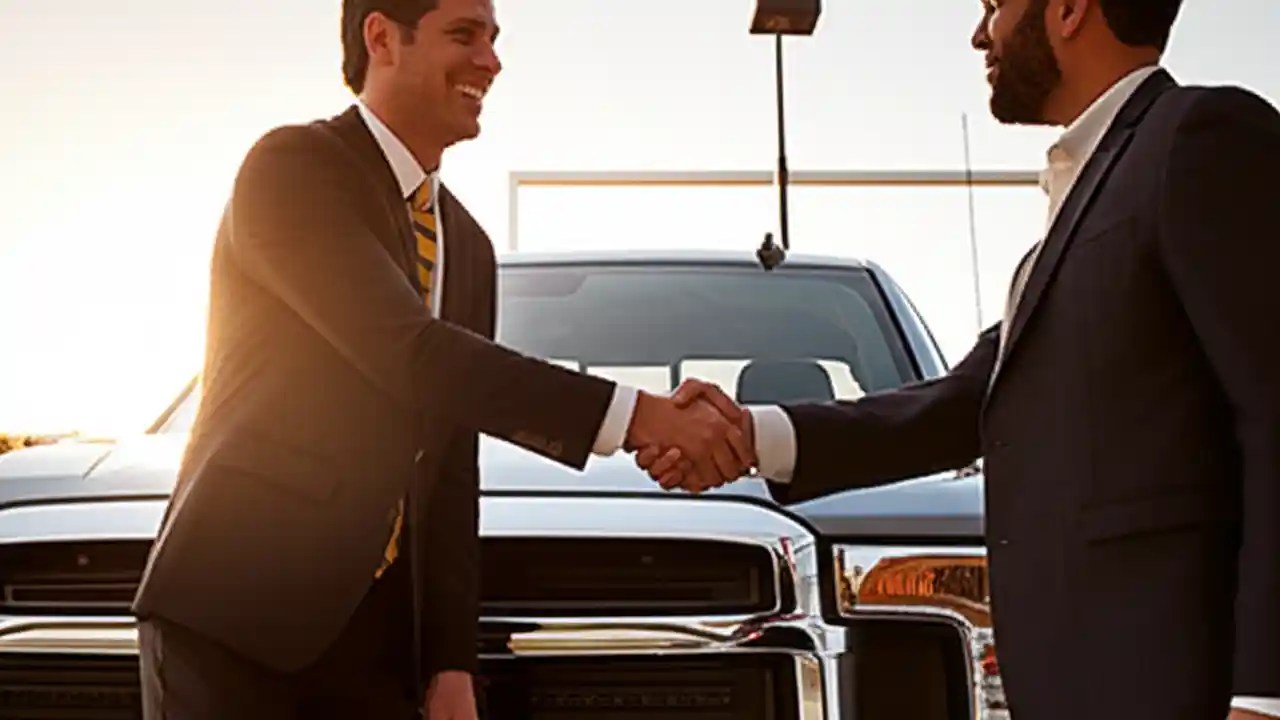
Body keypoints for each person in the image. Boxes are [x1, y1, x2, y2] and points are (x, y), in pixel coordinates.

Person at [643, 0, 1279, 718]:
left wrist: (1263, 694)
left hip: (1181, 686)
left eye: (994, 6)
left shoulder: (1201, 137)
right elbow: (959, 405)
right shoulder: (1086, 201)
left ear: (1069, 10)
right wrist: (756, 436)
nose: (982, 34)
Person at [130, 0, 751, 718]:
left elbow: (453, 463)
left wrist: (449, 661)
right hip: (235, 618)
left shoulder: (469, 244)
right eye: (464, 34)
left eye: (493, 38)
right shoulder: (293, 167)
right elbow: (409, 351)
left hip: (378, 645)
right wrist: (639, 417)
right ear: (381, 38)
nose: (490, 60)